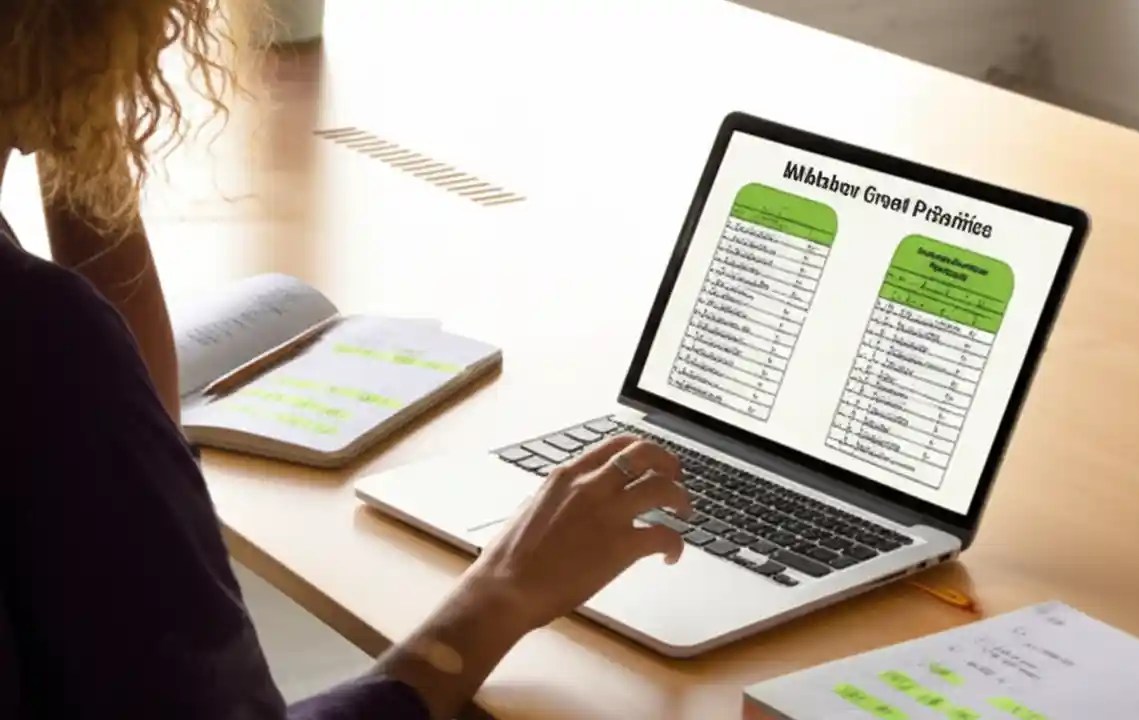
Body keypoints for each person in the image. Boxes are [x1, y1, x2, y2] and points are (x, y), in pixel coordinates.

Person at [0, 1, 690, 718]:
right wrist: (501, 594)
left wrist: (68, 105)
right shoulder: (46, 341)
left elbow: (136, 434)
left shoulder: (51, 341)